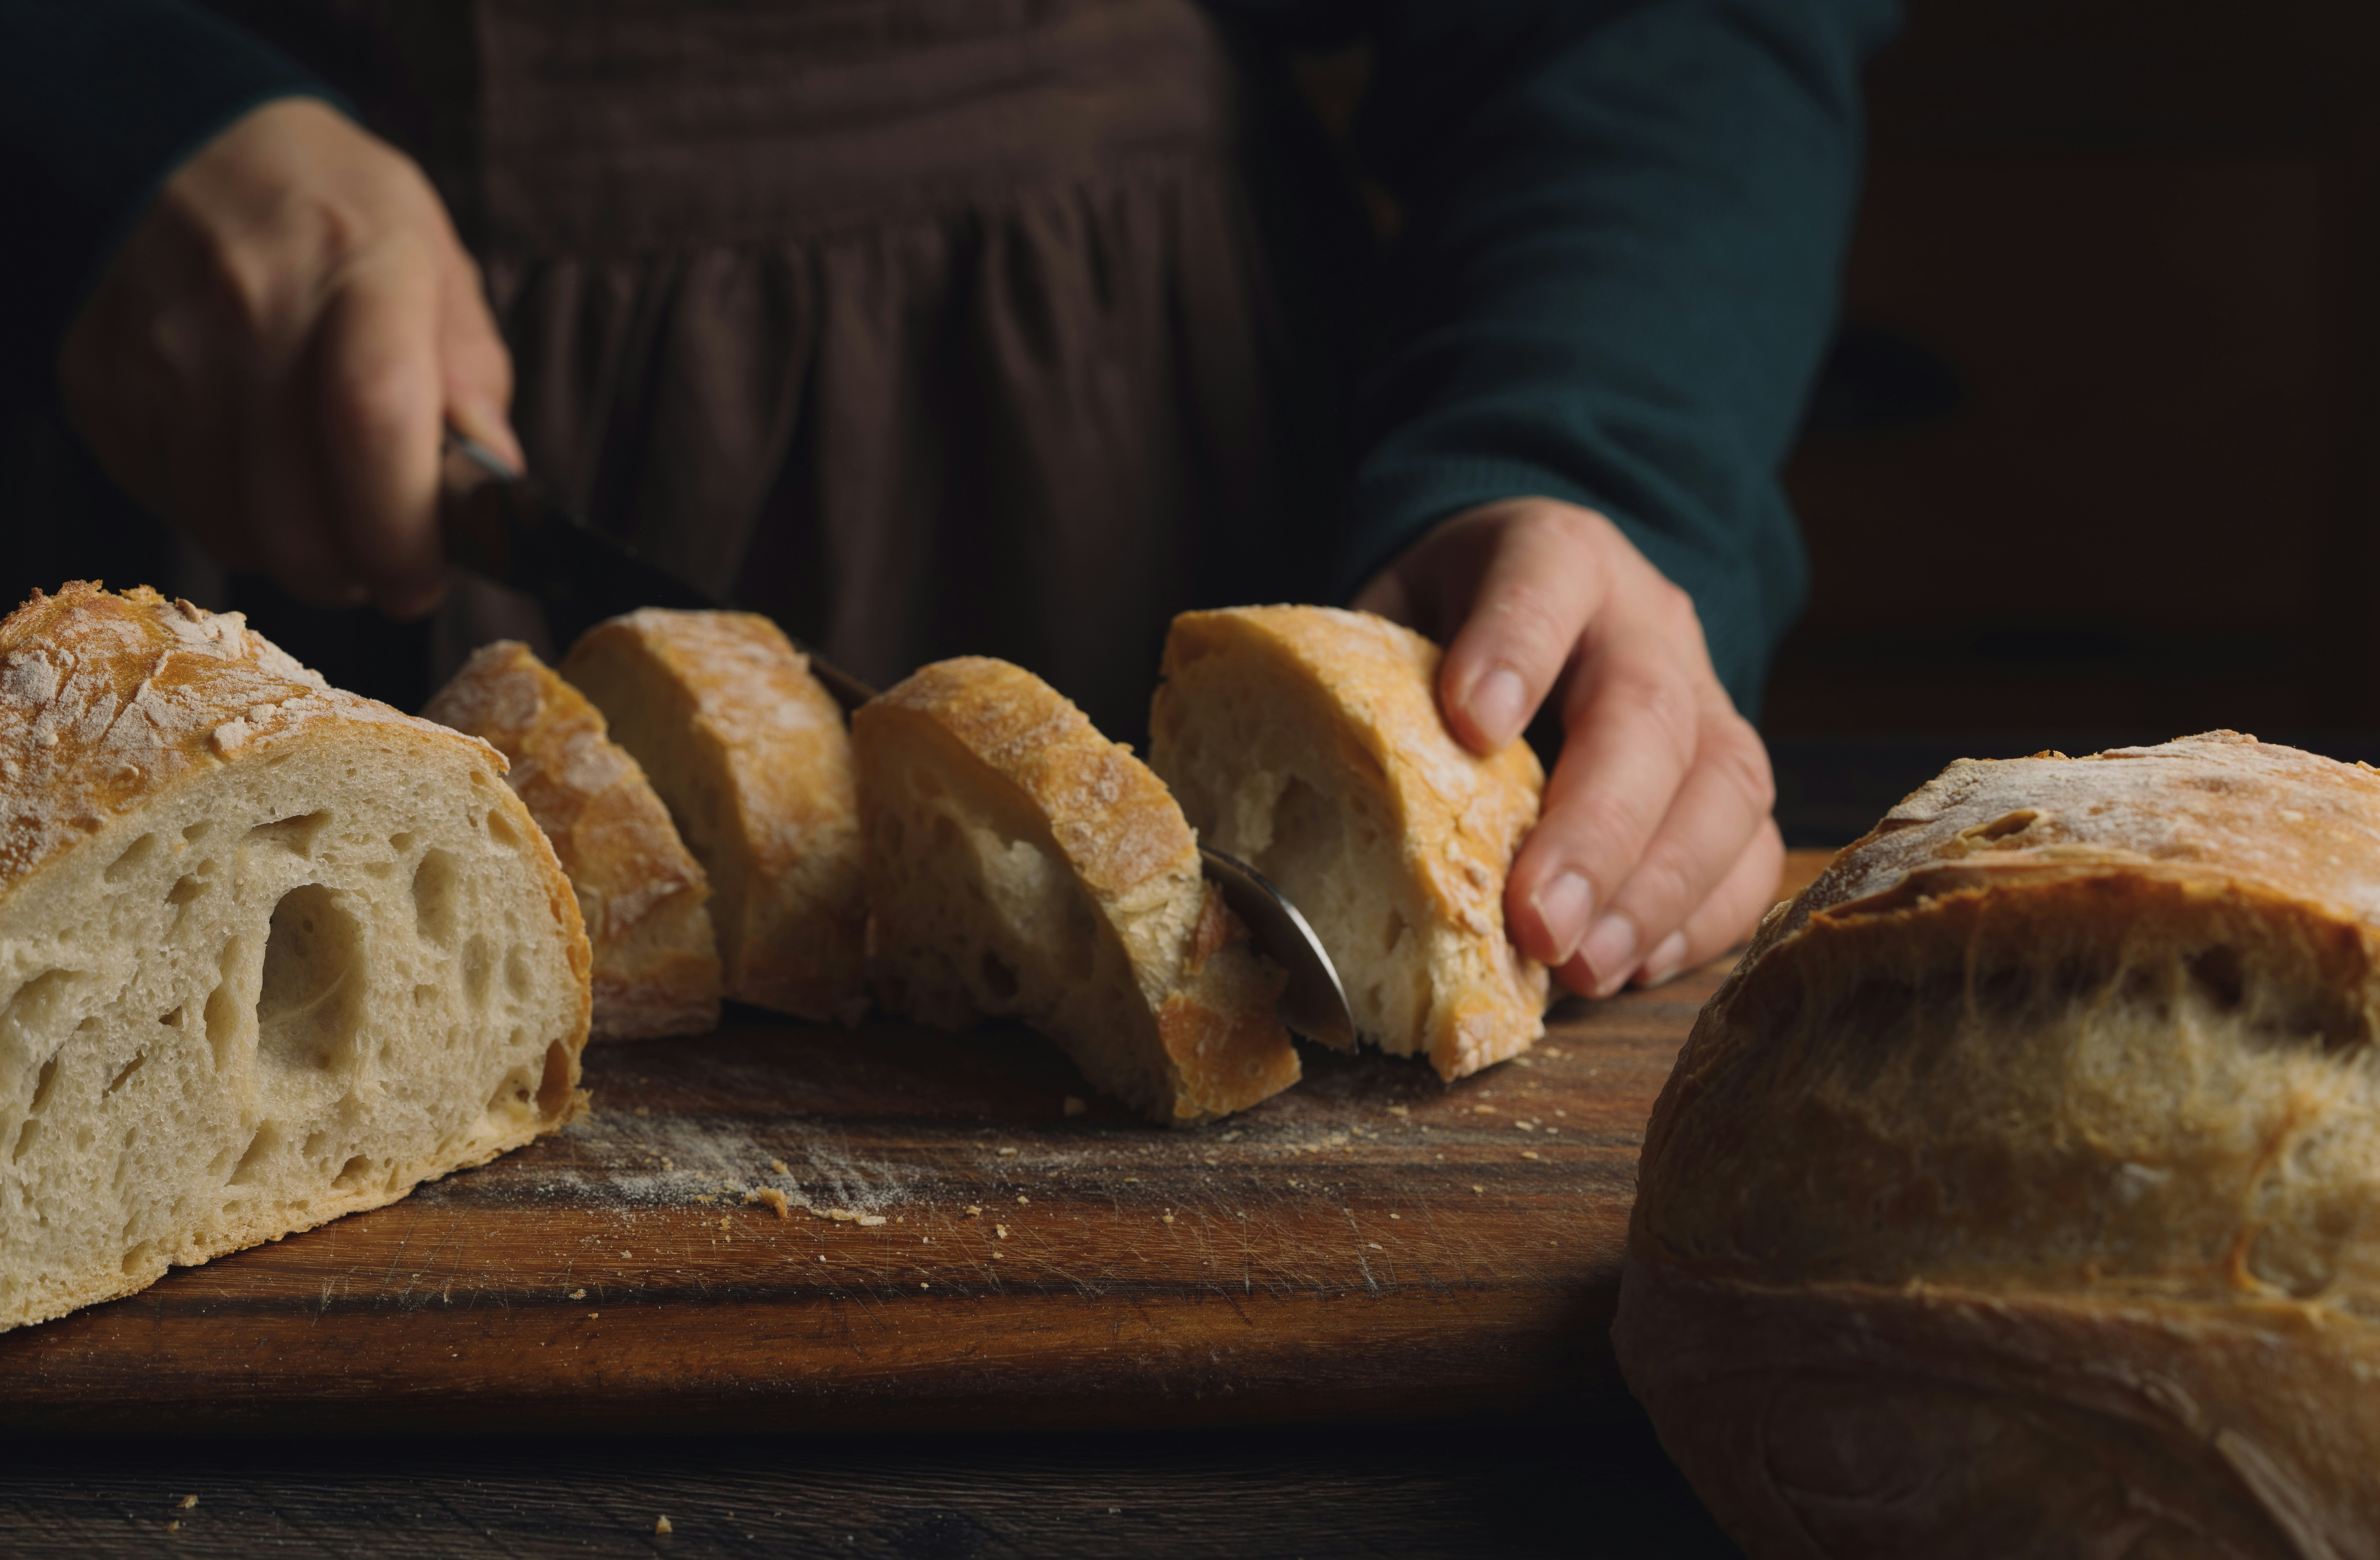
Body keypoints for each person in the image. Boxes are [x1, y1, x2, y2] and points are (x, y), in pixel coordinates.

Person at [2, 0, 1897, 999]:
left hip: (1120, 444)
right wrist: (96, 95)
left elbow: (1649, 26)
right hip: (181, 439)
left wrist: (1590, 446)